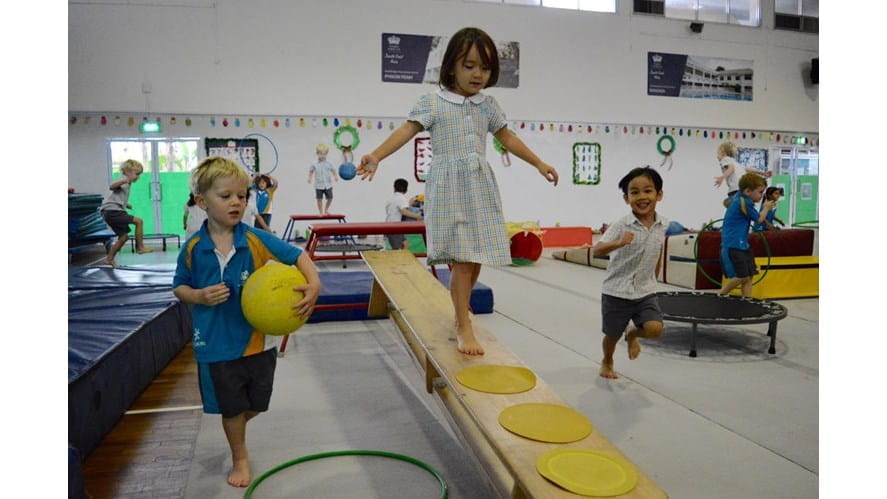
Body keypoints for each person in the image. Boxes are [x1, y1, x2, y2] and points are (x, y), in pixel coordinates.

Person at [357, 27, 558, 356]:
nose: (478, 74)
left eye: (485, 68)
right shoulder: (433, 102)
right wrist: (377, 155)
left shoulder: (488, 105)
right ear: (451, 66)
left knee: (475, 258)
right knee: (463, 260)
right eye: (469, 65)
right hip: (449, 185)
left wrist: (538, 162)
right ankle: (463, 324)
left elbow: (507, 138)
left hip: (479, 185)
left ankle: (461, 311)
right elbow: (407, 130)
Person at [172, 157, 321, 488]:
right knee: (231, 408)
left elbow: (299, 255)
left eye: (242, 196)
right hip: (216, 343)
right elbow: (179, 286)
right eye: (225, 196)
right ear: (202, 202)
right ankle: (240, 456)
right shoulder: (194, 248)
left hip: (258, 342)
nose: (236, 202)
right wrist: (199, 296)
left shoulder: (254, 238)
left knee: (257, 403)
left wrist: (314, 283)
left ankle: (238, 422)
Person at [592, 167, 668, 379]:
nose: (642, 197)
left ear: (659, 194)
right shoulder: (621, 224)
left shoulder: (663, 225)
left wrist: (654, 278)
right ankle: (607, 360)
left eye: (648, 191)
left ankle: (633, 333)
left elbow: (657, 250)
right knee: (612, 335)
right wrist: (619, 242)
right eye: (634, 192)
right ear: (626, 198)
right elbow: (597, 250)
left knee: (655, 329)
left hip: (645, 290)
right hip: (617, 291)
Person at [719, 173, 775, 298]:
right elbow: (759, 219)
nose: (762, 195)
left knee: (749, 276)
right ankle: (720, 295)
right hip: (733, 245)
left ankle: (747, 301)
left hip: (743, 245)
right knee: (741, 276)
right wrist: (766, 208)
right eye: (760, 192)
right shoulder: (743, 202)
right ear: (748, 191)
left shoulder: (742, 199)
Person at [100, 159, 154, 266]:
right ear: (127, 171)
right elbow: (112, 187)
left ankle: (109, 259)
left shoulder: (127, 182)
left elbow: (117, 195)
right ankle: (140, 247)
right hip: (112, 212)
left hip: (112, 211)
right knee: (138, 221)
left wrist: (126, 204)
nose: (138, 177)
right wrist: (123, 181)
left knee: (124, 237)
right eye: (137, 174)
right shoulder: (124, 179)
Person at [713, 141, 771, 207]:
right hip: (743, 189)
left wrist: (722, 177)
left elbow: (731, 168)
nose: (717, 156)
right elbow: (748, 169)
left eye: (718, 154)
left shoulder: (725, 159)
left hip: (734, 189)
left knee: (734, 207)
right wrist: (763, 173)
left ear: (723, 152)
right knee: (744, 206)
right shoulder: (735, 162)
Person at [384, 178, 423, 250]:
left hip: (391, 226)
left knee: (405, 244)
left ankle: (403, 256)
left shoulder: (391, 199)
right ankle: (399, 257)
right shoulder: (401, 198)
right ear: (406, 189)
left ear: (394, 188)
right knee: (397, 249)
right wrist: (417, 216)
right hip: (394, 227)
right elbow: (404, 211)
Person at [307, 144, 337, 215]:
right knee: (319, 199)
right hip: (318, 185)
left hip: (328, 184)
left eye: (324, 154)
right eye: (320, 154)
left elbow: (333, 170)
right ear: (317, 154)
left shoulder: (329, 163)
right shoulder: (314, 163)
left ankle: (326, 210)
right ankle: (321, 212)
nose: (322, 156)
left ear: (326, 154)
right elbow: (311, 171)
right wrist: (309, 178)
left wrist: (335, 176)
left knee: (330, 198)